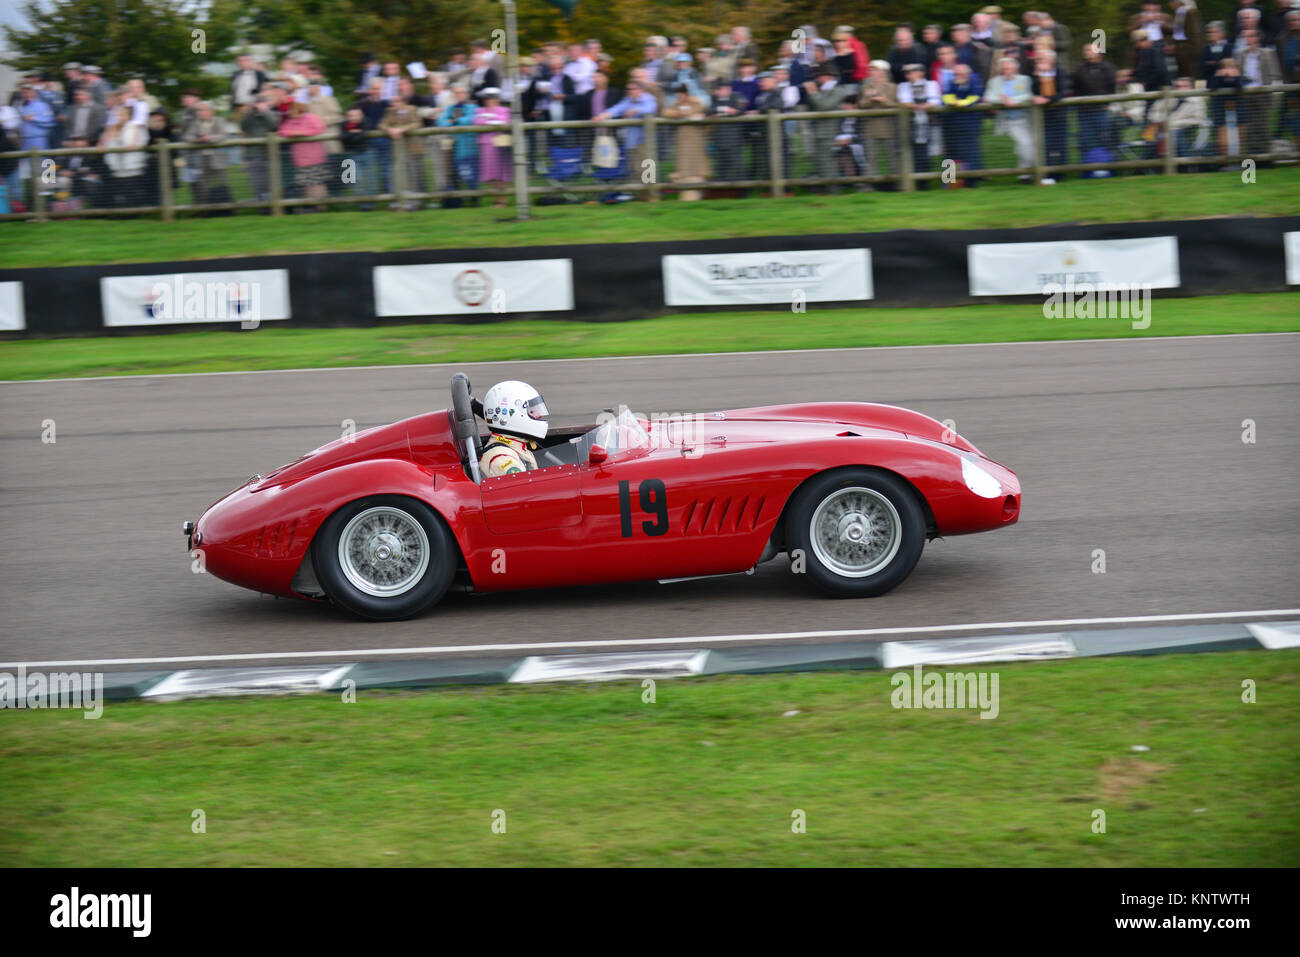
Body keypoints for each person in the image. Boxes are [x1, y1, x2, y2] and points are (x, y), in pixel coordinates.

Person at [478, 381, 550, 477]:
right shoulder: (504, 459)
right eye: (532, 411)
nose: (539, 415)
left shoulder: (516, 447)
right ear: (511, 413)